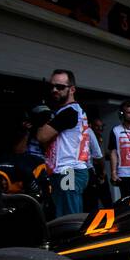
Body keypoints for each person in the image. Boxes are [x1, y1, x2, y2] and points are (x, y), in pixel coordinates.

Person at [34, 69, 90, 216]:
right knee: (64, 216)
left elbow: (41, 136)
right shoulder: (66, 111)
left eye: (60, 87)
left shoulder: (69, 112)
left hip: (69, 171)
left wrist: (42, 119)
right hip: (65, 171)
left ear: (72, 89)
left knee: (69, 219)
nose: (54, 90)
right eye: (52, 86)